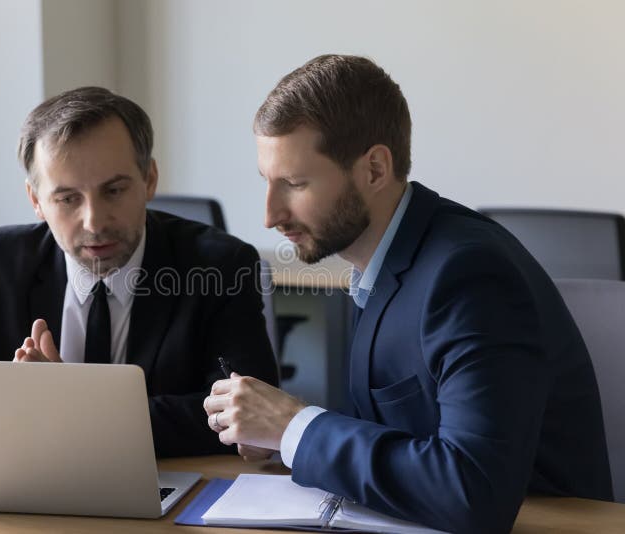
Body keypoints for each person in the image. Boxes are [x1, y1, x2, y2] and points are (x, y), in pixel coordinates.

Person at [203, 55, 612, 533]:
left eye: (294, 184)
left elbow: (471, 489)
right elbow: (410, 436)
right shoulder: (386, 260)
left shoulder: (469, 275)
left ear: (375, 169)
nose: (269, 216)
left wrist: (296, 427)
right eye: (267, 183)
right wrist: (283, 436)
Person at [0, 86, 279, 457]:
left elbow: (249, 414)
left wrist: (64, 408)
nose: (93, 221)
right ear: (36, 200)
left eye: (114, 190)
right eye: (67, 198)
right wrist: (16, 407)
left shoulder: (220, 265)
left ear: (149, 179)